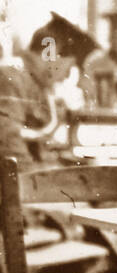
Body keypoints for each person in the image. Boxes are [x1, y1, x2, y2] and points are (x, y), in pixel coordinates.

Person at [0, 13, 98, 166]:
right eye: (70, 67)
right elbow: (11, 147)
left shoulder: (37, 84)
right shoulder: (10, 77)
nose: (66, 76)